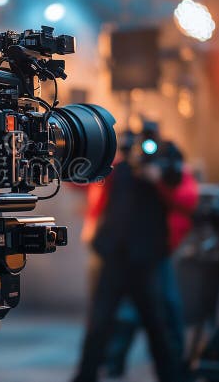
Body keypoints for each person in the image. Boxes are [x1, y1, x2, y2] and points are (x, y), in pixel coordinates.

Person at [73, 124, 195, 382]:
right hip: (114, 256)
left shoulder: (165, 168)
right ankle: (86, 375)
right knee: (100, 322)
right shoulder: (119, 169)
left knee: (157, 324)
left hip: (146, 260)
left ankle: (171, 375)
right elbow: (86, 183)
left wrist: (158, 179)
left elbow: (185, 200)